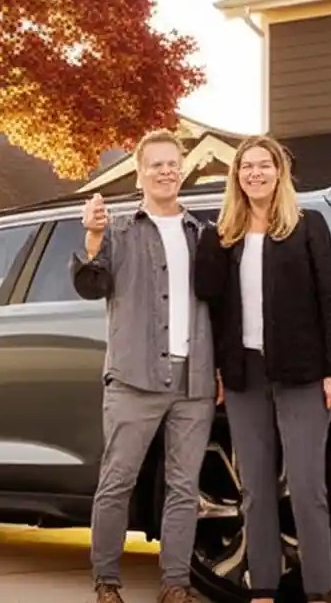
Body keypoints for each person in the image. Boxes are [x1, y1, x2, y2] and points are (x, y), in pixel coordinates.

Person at [194, 134, 331, 603]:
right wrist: (210, 240)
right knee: (256, 492)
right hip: (245, 376)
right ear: (236, 177)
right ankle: (262, 589)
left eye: (264, 165)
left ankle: (318, 590)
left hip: (302, 374)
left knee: (307, 489)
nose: (255, 173)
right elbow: (211, 299)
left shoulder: (307, 225)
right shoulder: (225, 234)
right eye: (246, 167)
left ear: (279, 172)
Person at [71, 129, 217, 603]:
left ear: (183, 170)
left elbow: (216, 306)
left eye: (173, 162)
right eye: (155, 164)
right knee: (117, 482)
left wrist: (214, 369)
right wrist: (92, 235)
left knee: (183, 487)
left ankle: (175, 586)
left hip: (193, 380)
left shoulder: (203, 233)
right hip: (134, 379)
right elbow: (91, 285)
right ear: (140, 174)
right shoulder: (118, 231)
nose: (166, 170)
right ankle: (106, 583)